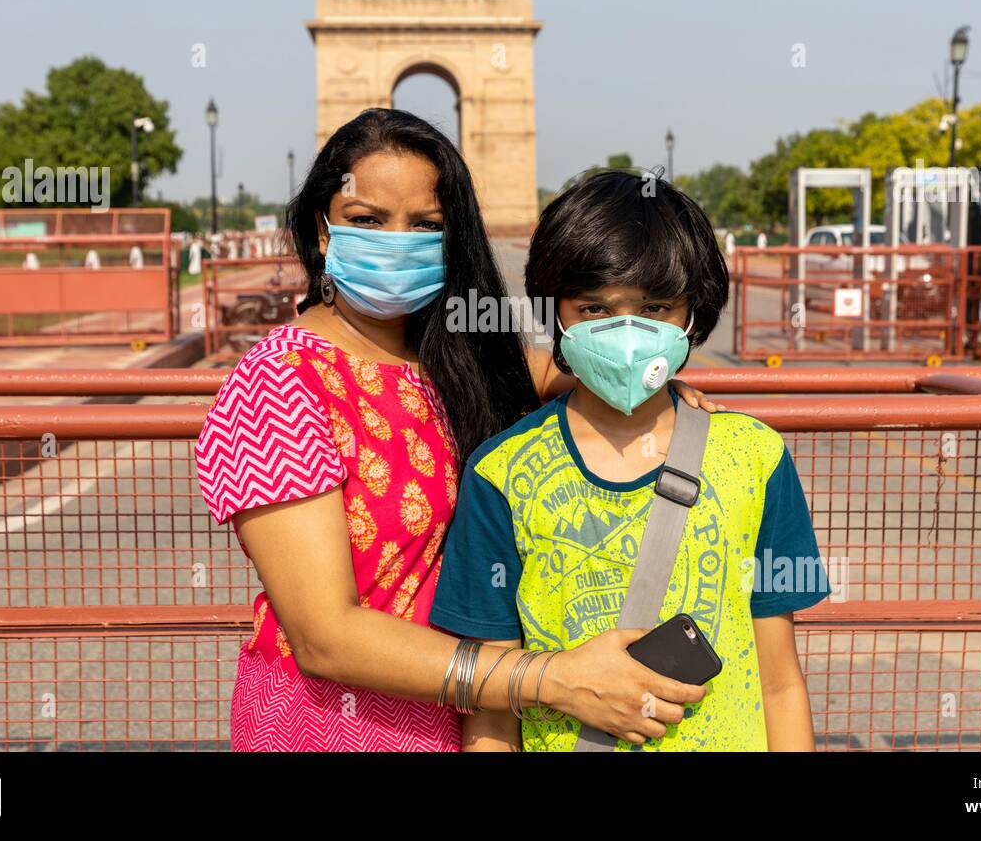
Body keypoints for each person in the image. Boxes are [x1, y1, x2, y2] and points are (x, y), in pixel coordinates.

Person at [194, 111, 710, 751]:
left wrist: (655, 382)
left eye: (426, 226)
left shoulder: (454, 361)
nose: (396, 240)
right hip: (334, 724)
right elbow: (325, 636)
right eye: (367, 220)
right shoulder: (277, 383)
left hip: (470, 718)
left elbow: (565, 366)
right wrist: (555, 679)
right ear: (321, 233)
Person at [430, 170, 831, 751]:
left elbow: (780, 683)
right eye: (595, 308)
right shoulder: (501, 475)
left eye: (654, 308)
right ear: (556, 313)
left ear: (694, 313)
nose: (625, 334)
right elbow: (492, 710)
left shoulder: (756, 459)